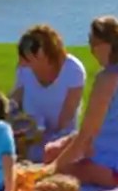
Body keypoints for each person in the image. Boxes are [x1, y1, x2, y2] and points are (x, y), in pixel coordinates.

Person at [44, 16, 118, 189]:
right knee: (51, 151)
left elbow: (86, 134)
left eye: (93, 41)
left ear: (106, 46)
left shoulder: (108, 79)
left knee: (57, 170)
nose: (91, 48)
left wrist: (53, 168)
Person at [11, 24, 86, 162]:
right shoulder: (24, 69)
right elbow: (15, 99)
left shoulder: (73, 70)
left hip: (59, 143)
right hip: (28, 139)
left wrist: (49, 142)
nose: (21, 62)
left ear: (42, 54)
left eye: (26, 57)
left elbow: (67, 116)